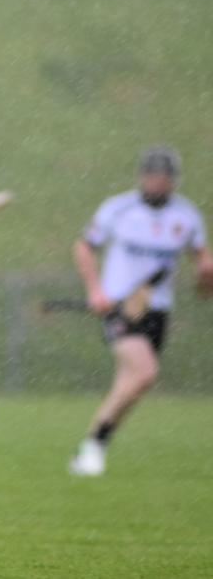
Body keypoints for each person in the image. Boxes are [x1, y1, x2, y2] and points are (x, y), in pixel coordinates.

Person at [68, 145, 213, 476]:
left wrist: (206, 275)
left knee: (129, 386)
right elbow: (83, 247)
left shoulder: (187, 217)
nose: (157, 183)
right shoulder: (118, 210)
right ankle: (94, 446)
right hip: (120, 308)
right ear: (141, 177)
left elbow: (203, 277)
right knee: (145, 373)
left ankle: (91, 447)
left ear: (174, 181)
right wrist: (95, 290)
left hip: (157, 312)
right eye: (152, 176)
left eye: (164, 178)